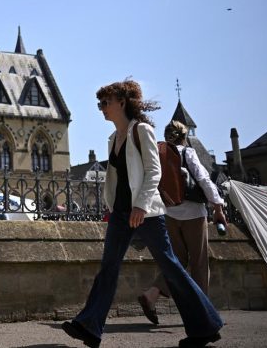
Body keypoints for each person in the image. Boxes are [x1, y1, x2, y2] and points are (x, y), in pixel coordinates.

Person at [61, 80, 223, 348]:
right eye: (99, 103)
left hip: (146, 213)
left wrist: (141, 205)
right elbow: (117, 178)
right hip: (121, 213)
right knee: (108, 268)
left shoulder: (142, 130)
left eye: (106, 102)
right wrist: (112, 206)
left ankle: (206, 326)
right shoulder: (113, 138)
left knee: (171, 266)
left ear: (122, 102)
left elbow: (153, 171)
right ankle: (89, 326)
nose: (102, 108)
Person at [138, 121, 227, 325]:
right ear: (183, 136)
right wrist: (218, 207)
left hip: (168, 213)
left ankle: (151, 294)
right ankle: (201, 311)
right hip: (193, 213)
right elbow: (203, 179)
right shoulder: (187, 153)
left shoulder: (159, 154)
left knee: (175, 262)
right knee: (199, 263)